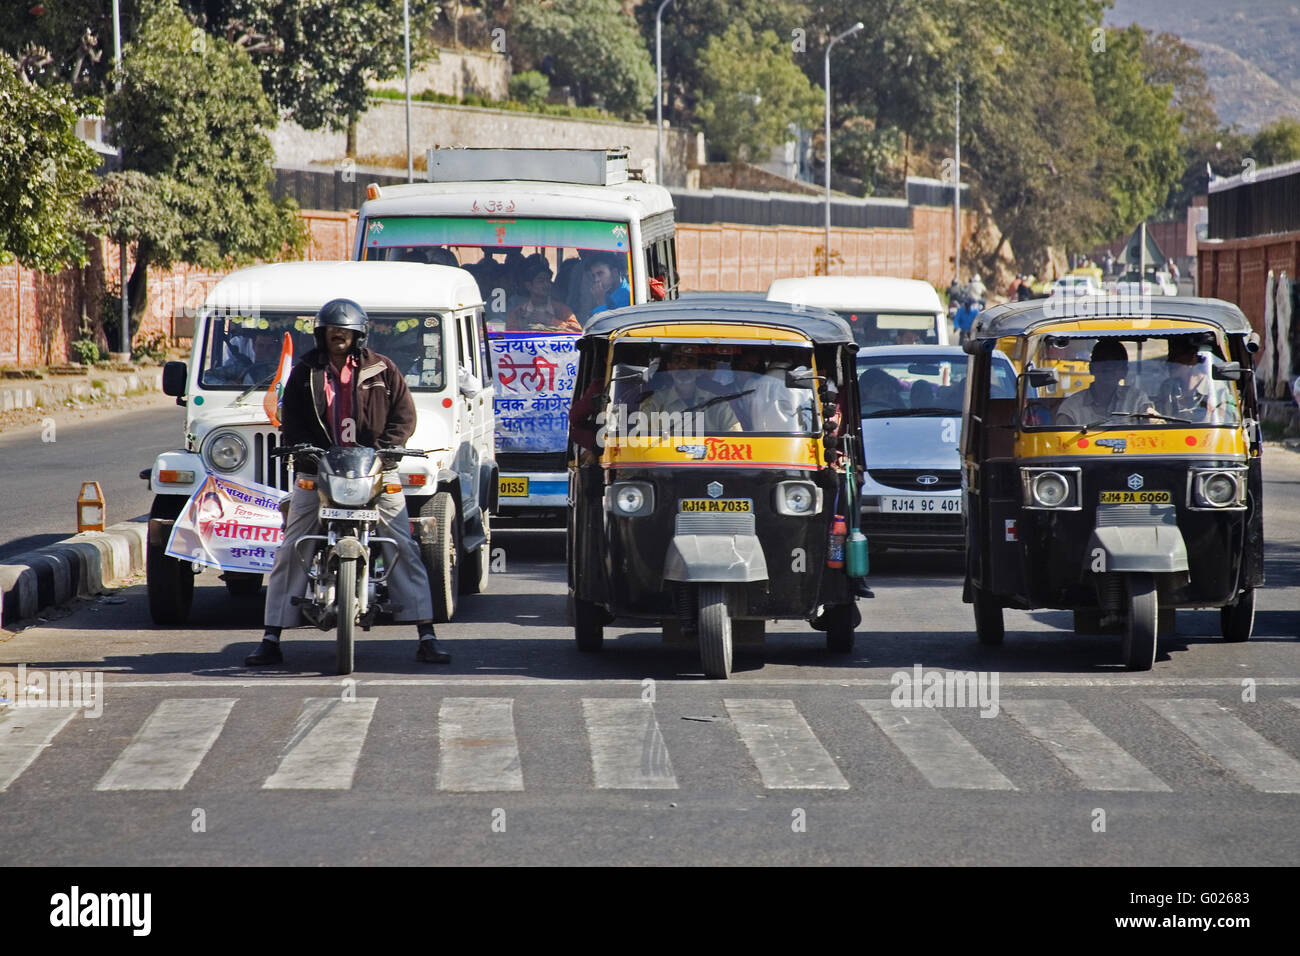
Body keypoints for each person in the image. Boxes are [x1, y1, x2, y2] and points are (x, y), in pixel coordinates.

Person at [245, 298, 450, 666]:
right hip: (317, 470)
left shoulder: (382, 369)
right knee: (293, 546)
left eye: (345, 330)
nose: (338, 335)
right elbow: (291, 417)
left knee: (402, 543)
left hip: (377, 470)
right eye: (331, 330)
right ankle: (271, 636)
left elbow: (404, 416)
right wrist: (302, 451)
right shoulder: (306, 371)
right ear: (321, 333)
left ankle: (426, 633)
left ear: (359, 333)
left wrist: (389, 449)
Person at [639, 345, 742, 432]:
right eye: (677, 360)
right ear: (669, 368)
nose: (683, 365)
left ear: (698, 370)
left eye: (690, 360)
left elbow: (737, 439)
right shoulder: (654, 404)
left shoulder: (718, 404)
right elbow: (640, 442)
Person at [1055, 338, 1156, 427]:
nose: (1108, 369)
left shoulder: (1137, 400)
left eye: (1115, 365)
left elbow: (1156, 429)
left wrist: (1155, 420)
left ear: (1124, 371)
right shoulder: (1072, 407)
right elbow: (1061, 443)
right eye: (1102, 363)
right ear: (1091, 368)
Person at [1155, 337, 1234, 423]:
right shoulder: (1168, 387)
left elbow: (1223, 424)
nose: (1170, 363)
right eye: (1170, 358)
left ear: (1192, 359)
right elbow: (1161, 421)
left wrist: (1209, 414)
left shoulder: (1215, 388)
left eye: (1176, 358)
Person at [505, 258, 581, 332]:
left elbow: (577, 331)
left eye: (548, 280)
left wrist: (550, 321)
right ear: (529, 286)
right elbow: (510, 336)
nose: (546, 284)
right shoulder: (518, 312)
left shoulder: (562, 309)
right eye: (540, 281)